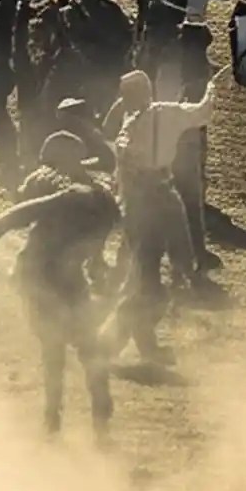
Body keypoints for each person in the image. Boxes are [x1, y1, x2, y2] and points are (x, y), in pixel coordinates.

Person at [0, 131, 119, 436]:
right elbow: (97, 239)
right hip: (65, 278)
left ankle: (55, 418)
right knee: (86, 347)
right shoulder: (103, 197)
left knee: (55, 348)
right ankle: (97, 414)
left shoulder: (74, 195)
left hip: (41, 275)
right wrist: (96, 263)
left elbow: (28, 210)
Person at [101, 66, 227, 365]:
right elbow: (202, 113)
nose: (124, 99)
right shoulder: (149, 117)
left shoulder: (149, 118)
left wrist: (210, 91)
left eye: (127, 94)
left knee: (146, 278)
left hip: (150, 199)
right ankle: (116, 346)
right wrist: (211, 91)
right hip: (151, 199)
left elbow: (201, 113)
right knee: (146, 280)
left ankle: (119, 345)